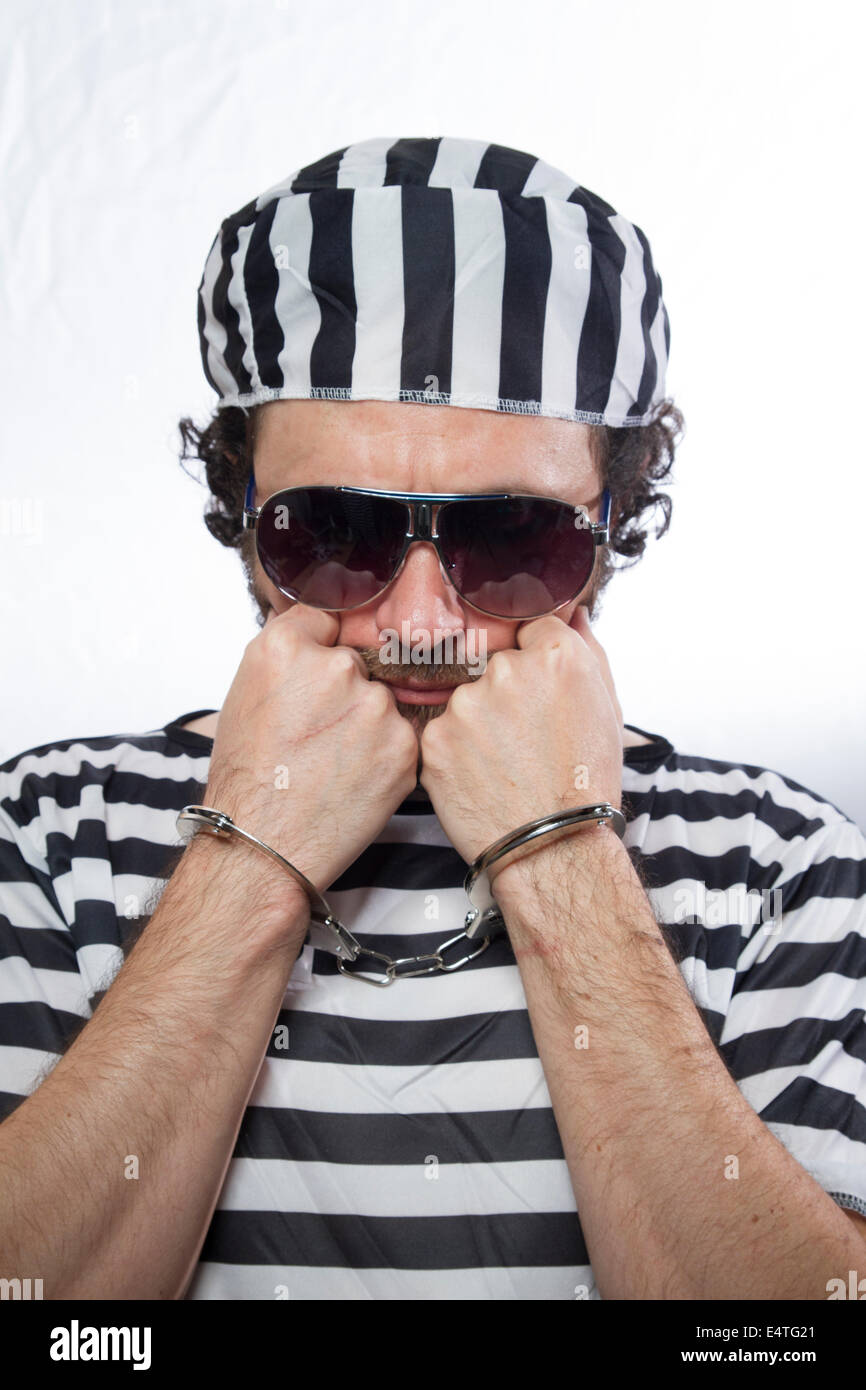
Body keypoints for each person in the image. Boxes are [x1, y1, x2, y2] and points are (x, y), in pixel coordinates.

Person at [1, 136, 865, 1302]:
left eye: (511, 537)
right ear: (240, 506)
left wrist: (561, 850)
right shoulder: (47, 833)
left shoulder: (784, 864)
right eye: (335, 530)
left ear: (611, 520)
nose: (423, 622)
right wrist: (255, 855)